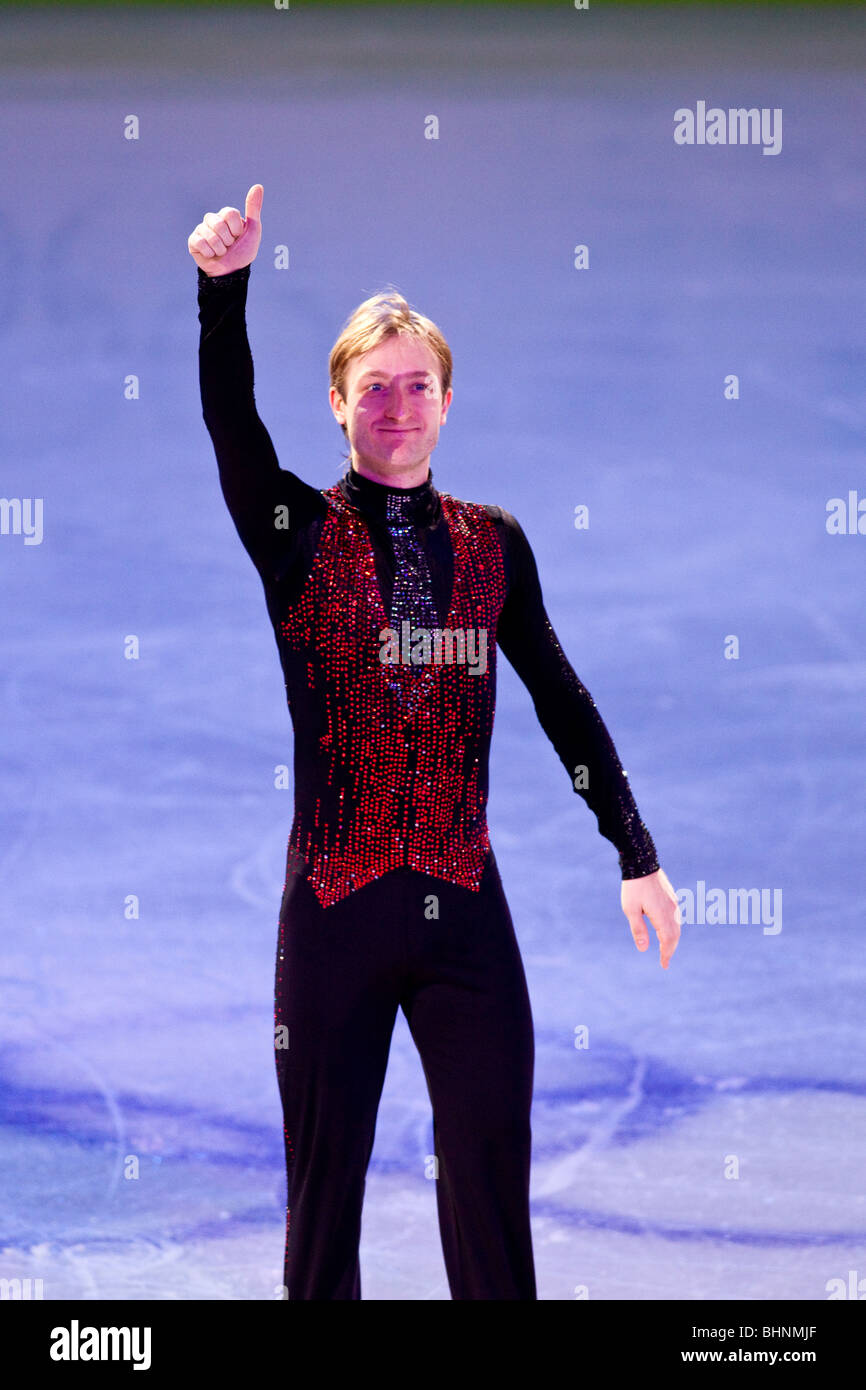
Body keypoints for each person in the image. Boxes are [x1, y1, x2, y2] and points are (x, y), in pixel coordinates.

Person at [188, 183, 681, 1301]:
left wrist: (634, 849)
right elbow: (230, 425)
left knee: (491, 1200)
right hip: (332, 915)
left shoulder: (492, 546)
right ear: (338, 403)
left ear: (448, 403)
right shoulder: (292, 533)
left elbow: (557, 692)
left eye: (418, 387)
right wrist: (222, 293)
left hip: (463, 912)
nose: (397, 407)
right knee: (322, 1211)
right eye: (375, 388)